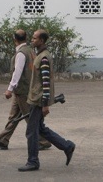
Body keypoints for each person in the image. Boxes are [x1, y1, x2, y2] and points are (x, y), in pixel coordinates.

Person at [18, 29, 75, 172]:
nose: (32, 40)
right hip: (36, 99)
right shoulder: (40, 55)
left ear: (42, 41)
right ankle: (67, 146)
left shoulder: (43, 58)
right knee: (40, 129)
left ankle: (33, 161)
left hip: (38, 101)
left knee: (31, 132)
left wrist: (44, 105)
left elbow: (45, 83)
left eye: (35, 38)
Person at [0, 29, 50, 152]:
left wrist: (9, 89)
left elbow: (18, 72)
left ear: (14, 40)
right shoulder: (30, 51)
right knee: (13, 116)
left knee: (30, 117)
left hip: (23, 90)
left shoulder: (21, 53)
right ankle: (3, 139)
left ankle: (43, 141)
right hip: (23, 90)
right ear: (26, 38)